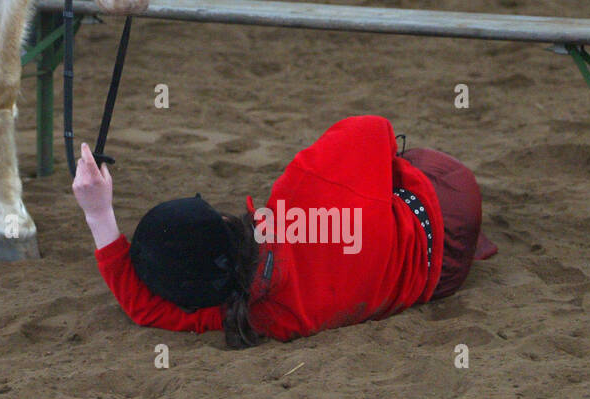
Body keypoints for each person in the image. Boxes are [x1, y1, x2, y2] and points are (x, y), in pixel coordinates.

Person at [72, 115, 498, 346]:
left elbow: (142, 308)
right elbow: (373, 127)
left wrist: (98, 217)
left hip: (440, 278)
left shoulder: (249, 318)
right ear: (224, 223)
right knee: (405, 160)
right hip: (449, 195)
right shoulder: (299, 190)